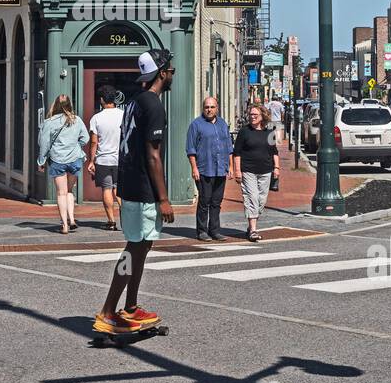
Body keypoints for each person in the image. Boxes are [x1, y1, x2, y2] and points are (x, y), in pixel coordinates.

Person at [93, 49, 175, 337]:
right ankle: (108, 311)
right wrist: (163, 198)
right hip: (142, 189)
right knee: (134, 248)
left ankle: (130, 307)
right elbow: (153, 155)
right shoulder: (153, 105)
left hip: (130, 184)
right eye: (171, 69)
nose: (173, 73)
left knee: (141, 247)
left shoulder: (134, 102)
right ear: (161, 73)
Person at [37, 96, 89, 235]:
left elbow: (44, 143)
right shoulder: (76, 120)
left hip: (58, 159)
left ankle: (64, 225)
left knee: (61, 193)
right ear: (69, 105)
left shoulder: (49, 122)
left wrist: (41, 161)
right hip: (74, 159)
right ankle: (72, 219)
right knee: (70, 191)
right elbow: (86, 138)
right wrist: (76, 146)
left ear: (55, 105)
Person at [185, 95, 232, 240]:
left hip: (220, 169)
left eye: (212, 107)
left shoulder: (223, 124)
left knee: (216, 202)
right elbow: (191, 149)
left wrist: (230, 166)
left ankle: (215, 230)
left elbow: (229, 147)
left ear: (217, 108)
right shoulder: (196, 125)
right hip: (205, 169)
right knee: (204, 201)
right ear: (203, 108)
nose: (209, 110)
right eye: (207, 107)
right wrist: (194, 168)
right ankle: (202, 231)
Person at [232, 102, 280, 242]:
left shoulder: (269, 132)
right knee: (252, 198)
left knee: (261, 200)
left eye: (255, 115)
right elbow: (237, 152)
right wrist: (237, 171)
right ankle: (253, 229)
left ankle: (251, 225)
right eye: (251, 114)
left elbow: (274, 151)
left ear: (262, 116)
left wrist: (276, 168)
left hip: (266, 171)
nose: (252, 117)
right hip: (248, 170)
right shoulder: (244, 132)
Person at [88, 85, 123, 231]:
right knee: (119, 190)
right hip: (120, 159)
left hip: (103, 160)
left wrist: (92, 161)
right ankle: (126, 219)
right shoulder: (123, 115)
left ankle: (111, 221)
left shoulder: (96, 118)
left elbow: (94, 142)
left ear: (101, 100)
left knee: (107, 189)